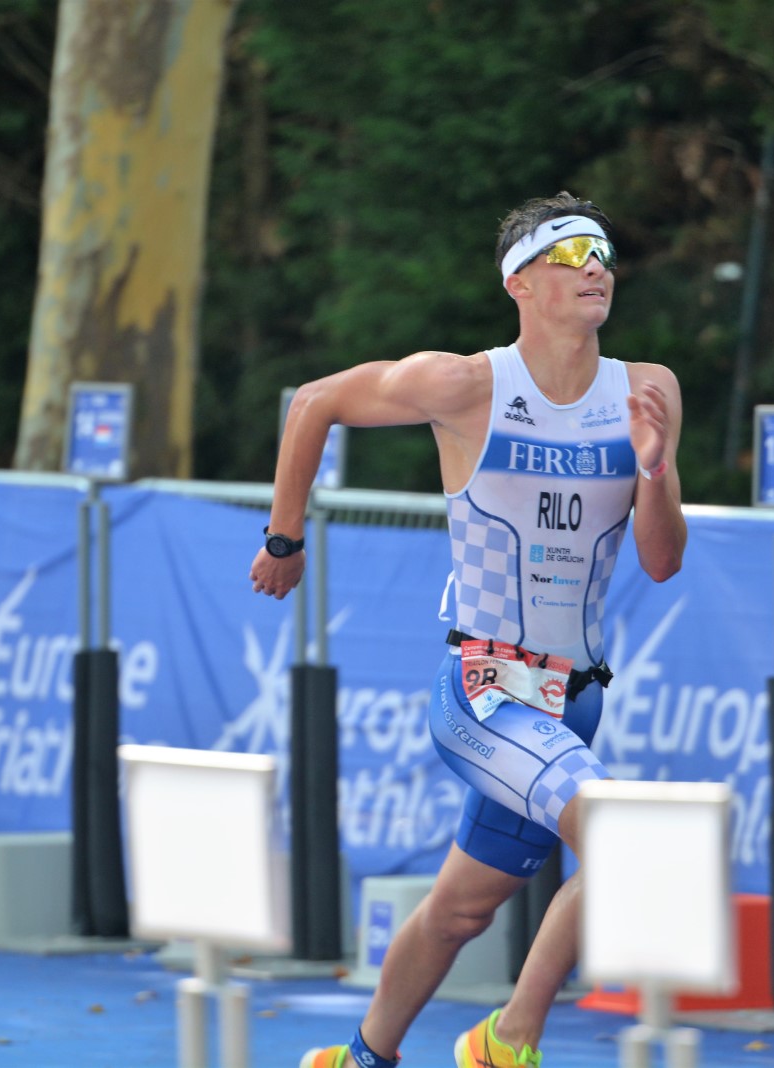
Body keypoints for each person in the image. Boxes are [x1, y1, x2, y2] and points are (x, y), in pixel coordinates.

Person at [249, 191, 687, 1068]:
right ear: (520, 282)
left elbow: (665, 561)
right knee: (619, 832)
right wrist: (285, 538)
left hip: (575, 701)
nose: (595, 265)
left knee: (461, 909)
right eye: (571, 254)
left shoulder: (646, 391)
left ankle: (361, 1058)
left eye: (602, 250)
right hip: (485, 690)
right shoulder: (466, 384)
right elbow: (315, 403)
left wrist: (657, 469)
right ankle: (508, 1038)